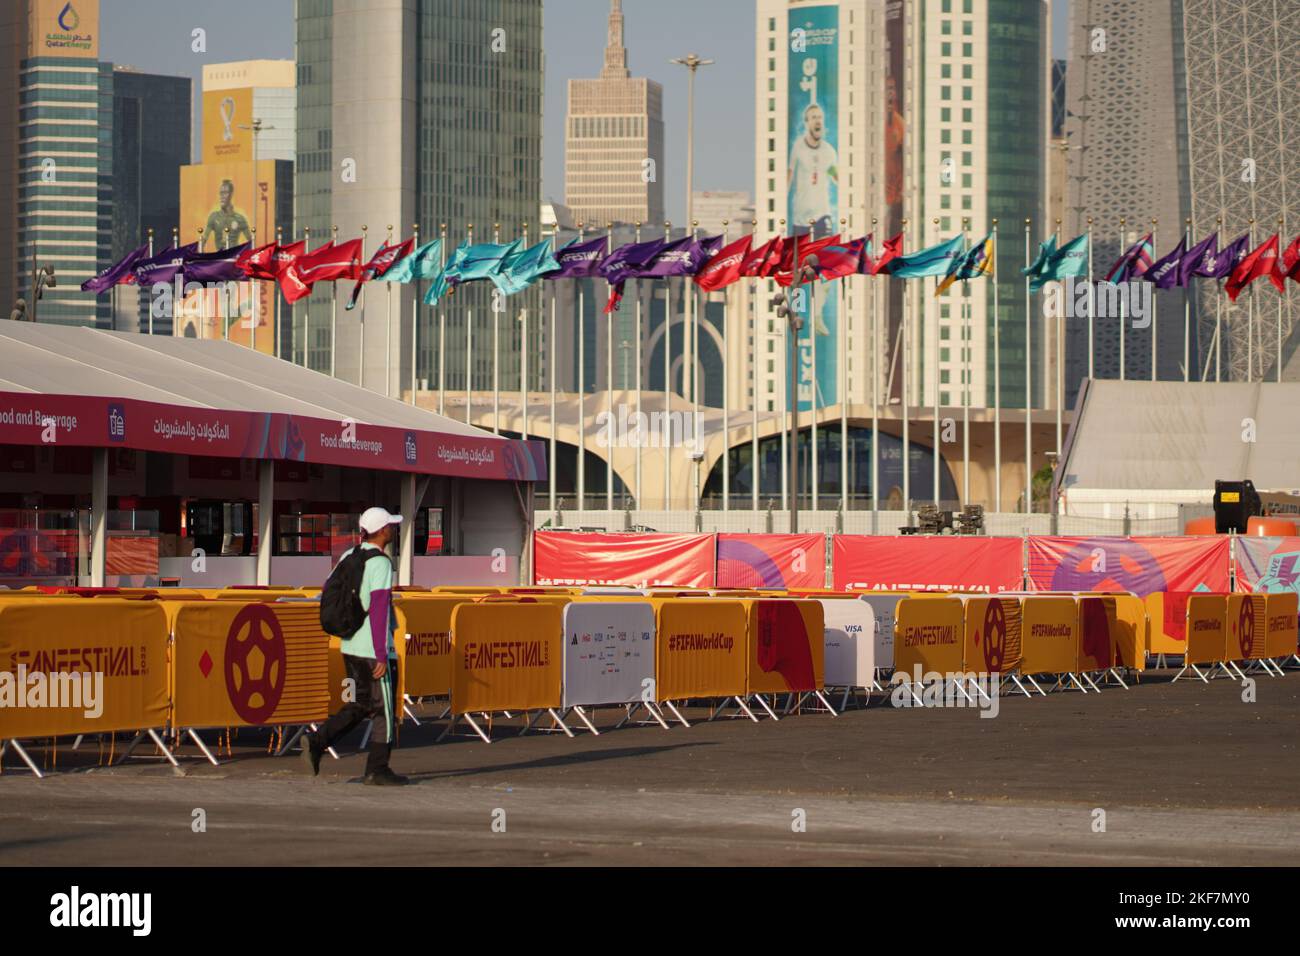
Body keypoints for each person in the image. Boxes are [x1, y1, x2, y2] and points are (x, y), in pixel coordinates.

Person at [301, 507, 408, 786]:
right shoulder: (381, 564)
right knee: (384, 711)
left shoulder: (349, 556)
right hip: (373, 650)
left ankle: (317, 740)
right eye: (391, 526)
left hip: (349, 646)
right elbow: (379, 610)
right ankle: (377, 769)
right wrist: (382, 654)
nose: (393, 530)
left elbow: (329, 591)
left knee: (358, 704)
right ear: (383, 530)